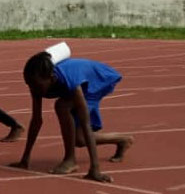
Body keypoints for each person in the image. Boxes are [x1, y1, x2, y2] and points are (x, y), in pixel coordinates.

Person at [11, 50, 132, 183]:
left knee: (62, 106)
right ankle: (122, 139)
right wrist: (25, 158)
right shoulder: (36, 82)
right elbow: (36, 120)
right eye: (29, 84)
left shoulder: (71, 80)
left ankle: (70, 160)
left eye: (37, 85)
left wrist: (95, 169)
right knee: (79, 140)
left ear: (51, 78)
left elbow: (85, 123)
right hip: (78, 80)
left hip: (97, 80)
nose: (33, 89)